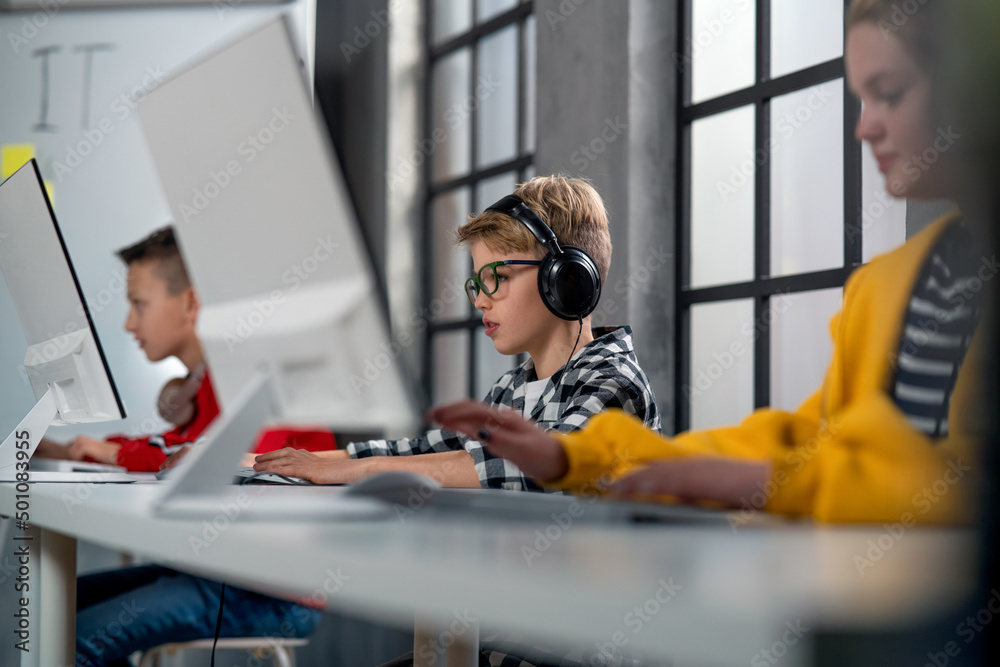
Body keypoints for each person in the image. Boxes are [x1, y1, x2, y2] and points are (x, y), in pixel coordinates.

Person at [431, 0, 986, 525]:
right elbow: (811, 440)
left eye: (889, 93)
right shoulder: (884, 287)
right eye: (863, 99)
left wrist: (773, 482)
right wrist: (572, 458)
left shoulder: (608, 378)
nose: (864, 126)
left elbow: (966, 486)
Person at [255, 175, 661, 490]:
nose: (480, 301)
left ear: (567, 280)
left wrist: (361, 471)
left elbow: (537, 467)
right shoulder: (513, 388)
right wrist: (288, 462)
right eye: (476, 285)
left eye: (498, 277)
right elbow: (432, 451)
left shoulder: (614, 382)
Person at [35, 226, 335, 471]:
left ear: (192, 302)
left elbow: (218, 457)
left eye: (139, 304)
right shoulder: (206, 379)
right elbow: (178, 443)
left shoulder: (251, 371)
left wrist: (113, 454)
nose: (129, 324)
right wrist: (72, 450)